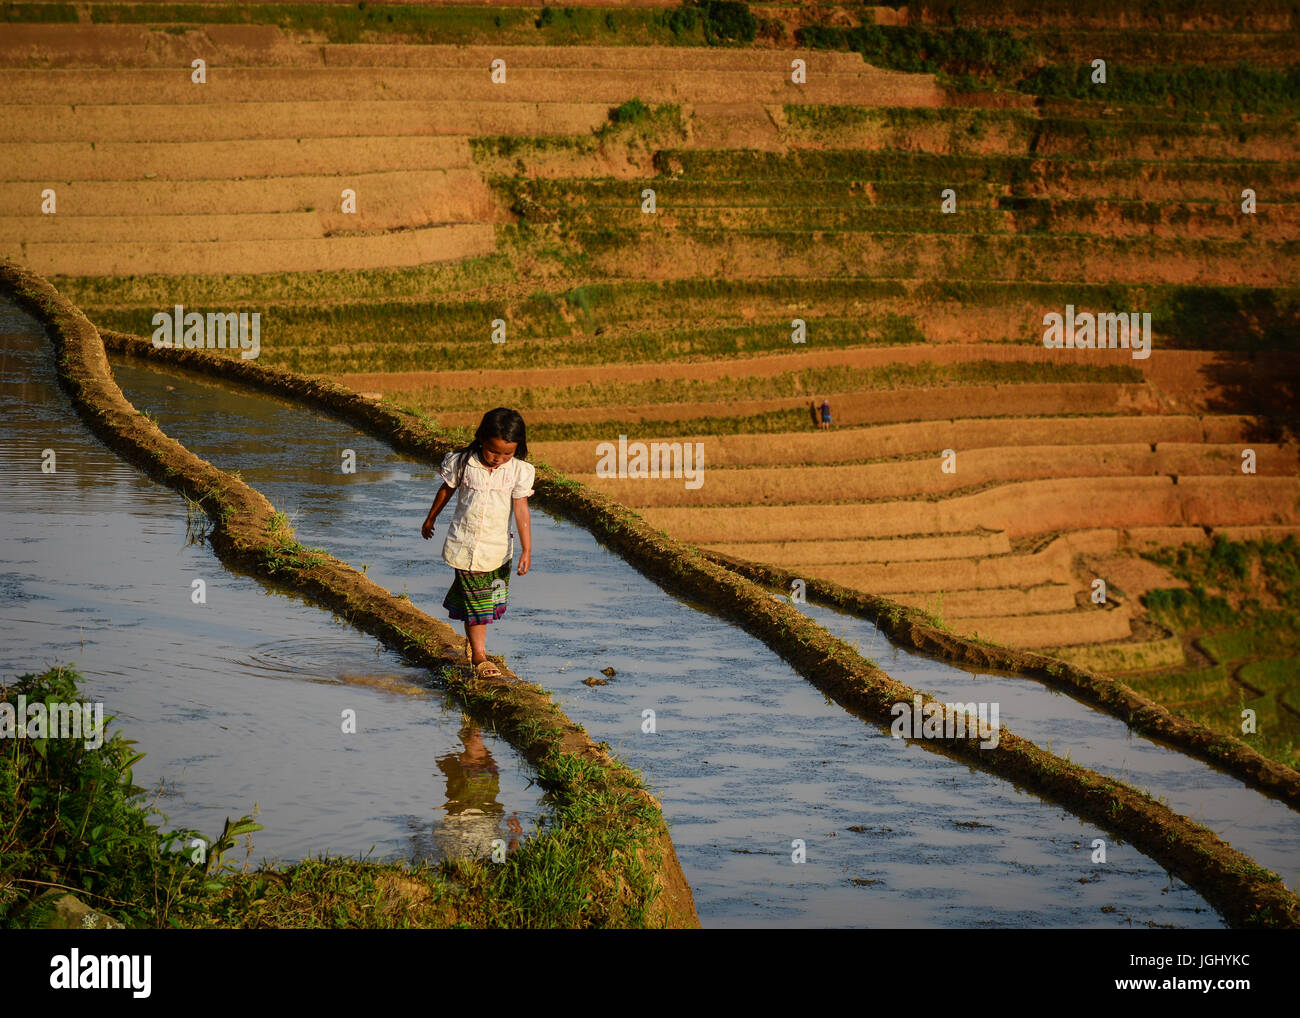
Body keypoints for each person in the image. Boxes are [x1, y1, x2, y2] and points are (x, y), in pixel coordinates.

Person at [421, 407, 533, 678]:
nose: (499, 458)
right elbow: (447, 489)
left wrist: (527, 548)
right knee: (478, 601)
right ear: (481, 438)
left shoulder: (519, 471)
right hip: (465, 543)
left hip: (497, 548)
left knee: (490, 600)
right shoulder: (462, 462)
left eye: (507, 453)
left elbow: (520, 508)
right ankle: (480, 656)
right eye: (494, 451)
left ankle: (473, 645)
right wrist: (430, 518)